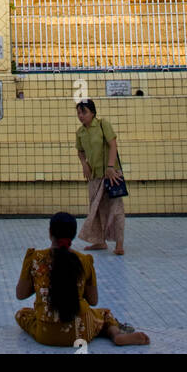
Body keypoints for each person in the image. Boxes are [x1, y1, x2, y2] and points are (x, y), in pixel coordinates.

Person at [15, 212, 148, 348]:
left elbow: (21, 294)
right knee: (104, 314)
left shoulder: (35, 258)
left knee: (22, 313)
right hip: (81, 331)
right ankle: (116, 334)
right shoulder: (84, 261)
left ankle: (52, 327)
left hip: (45, 333)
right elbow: (93, 301)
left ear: (50, 232)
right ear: (73, 234)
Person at [75, 98, 126, 255]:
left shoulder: (103, 125)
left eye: (84, 112)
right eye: (78, 113)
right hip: (95, 176)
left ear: (93, 113)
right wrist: (85, 164)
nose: (81, 115)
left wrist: (110, 167)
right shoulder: (80, 132)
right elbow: (80, 151)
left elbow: (113, 145)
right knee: (95, 209)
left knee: (116, 209)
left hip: (112, 173)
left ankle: (119, 244)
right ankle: (99, 242)